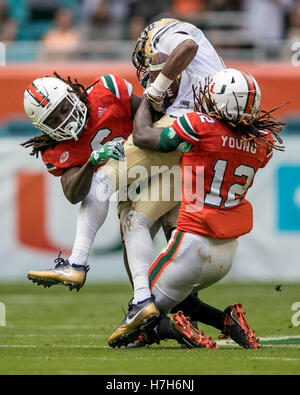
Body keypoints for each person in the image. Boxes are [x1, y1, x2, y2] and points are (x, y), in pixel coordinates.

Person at [115, 67, 285, 349]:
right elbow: (233, 141)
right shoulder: (262, 142)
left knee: (138, 313)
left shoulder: (199, 124)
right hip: (226, 253)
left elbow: (144, 136)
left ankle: (175, 329)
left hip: (191, 241)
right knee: (169, 298)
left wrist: (148, 99)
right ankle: (226, 321)